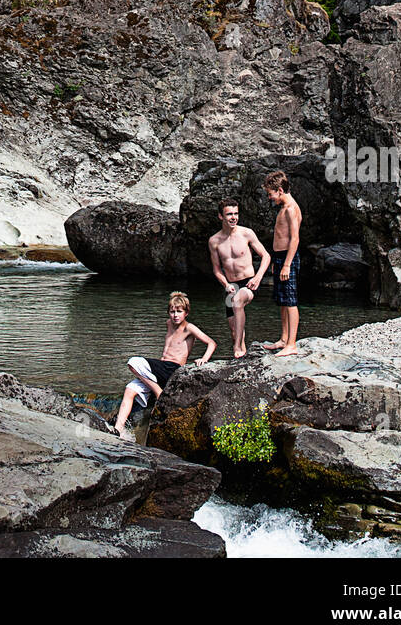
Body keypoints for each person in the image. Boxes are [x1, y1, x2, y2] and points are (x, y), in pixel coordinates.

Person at [113, 292, 215, 438]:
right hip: (159, 370)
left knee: (133, 362)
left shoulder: (189, 328)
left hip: (172, 369)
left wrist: (204, 359)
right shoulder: (169, 324)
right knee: (130, 389)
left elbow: (211, 343)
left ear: (186, 313)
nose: (175, 315)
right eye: (172, 311)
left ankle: (158, 392)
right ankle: (118, 429)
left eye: (179, 311)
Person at [207, 199, 271, 357]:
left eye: (236, 213)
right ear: (221, 216)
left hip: (249, 283)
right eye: (229, 214)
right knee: (234, 330)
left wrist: (258, 277)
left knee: (237, 301)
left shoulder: (246, 233)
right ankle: (241, 353)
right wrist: (226, 284)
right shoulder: (214, 241)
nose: (233, 217)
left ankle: (236, 348)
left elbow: (266, 256)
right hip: (231, 286)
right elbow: (216, 269)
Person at [262, 170, 303, 356]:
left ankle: (291, 344)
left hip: (289, 257)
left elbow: (294, 239)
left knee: (291, 300)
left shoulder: (291, 209)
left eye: (271, 194)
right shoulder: (283, 208)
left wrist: (286, 264)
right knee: (282, 300)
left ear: (279, 190)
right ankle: (284, 338)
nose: (270, 198)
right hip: (280, 257)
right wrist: (276, 260)